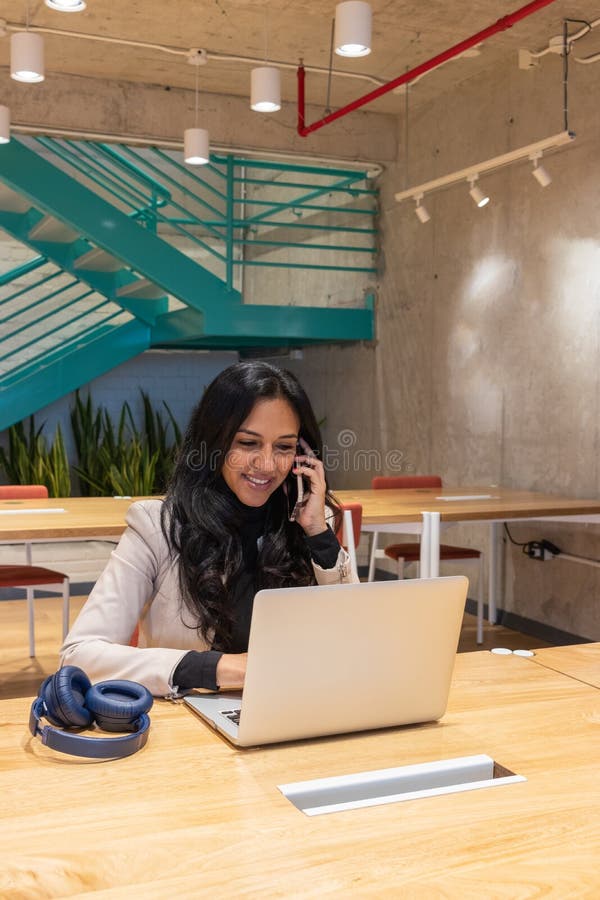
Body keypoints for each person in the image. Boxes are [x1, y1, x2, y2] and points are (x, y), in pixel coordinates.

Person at [60, 361, 357, 696]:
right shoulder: (158, 526)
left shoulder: (310, 524)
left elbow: (353, 642)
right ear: (216, 442)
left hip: (292, 708)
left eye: (284, 447)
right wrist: (213, 667)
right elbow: (78, 656)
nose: (267, 464)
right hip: (188, 720)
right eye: (248, 443)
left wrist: (318, 533)